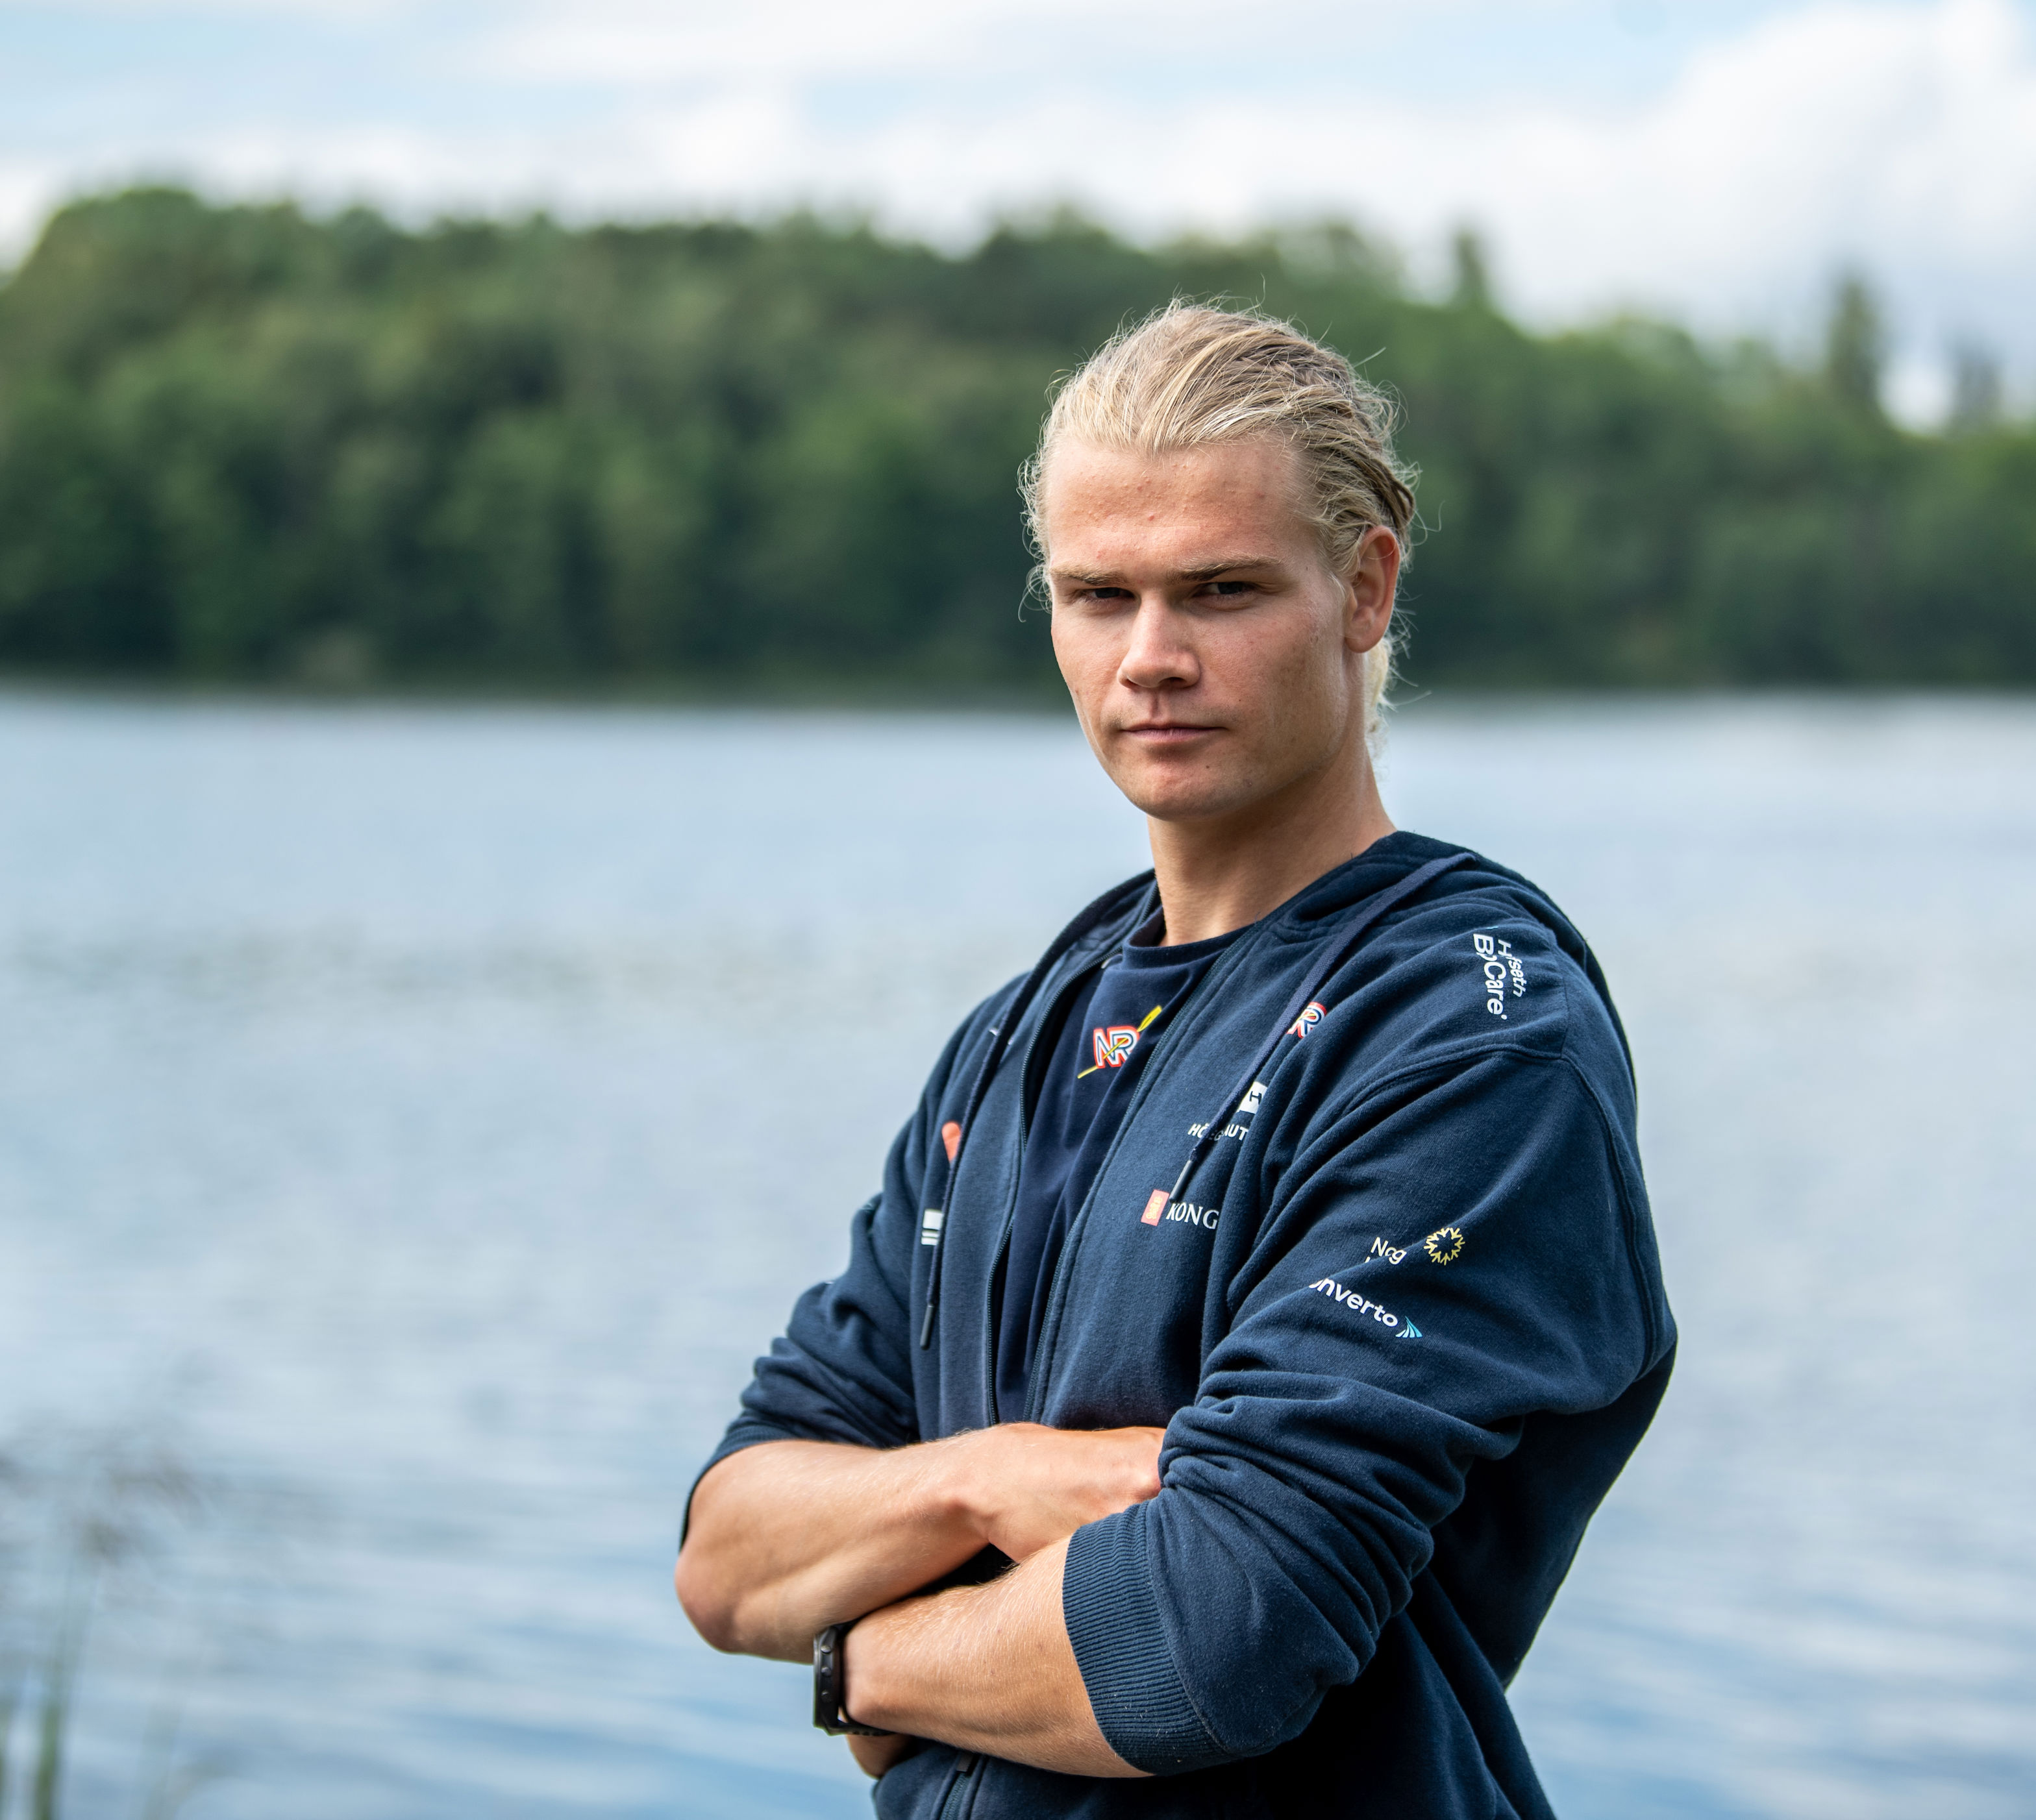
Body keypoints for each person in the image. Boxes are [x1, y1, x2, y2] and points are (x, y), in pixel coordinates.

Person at [673, 302, 1674, 1819]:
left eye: (1219, 590)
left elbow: (1209, 1640)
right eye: (1098, 594)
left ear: (1365, 586)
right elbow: (730, 1549)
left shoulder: (1473, 1032)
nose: (1151, 658)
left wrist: (859, 1664)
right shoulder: (1025, 1032)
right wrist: (984, 1480)